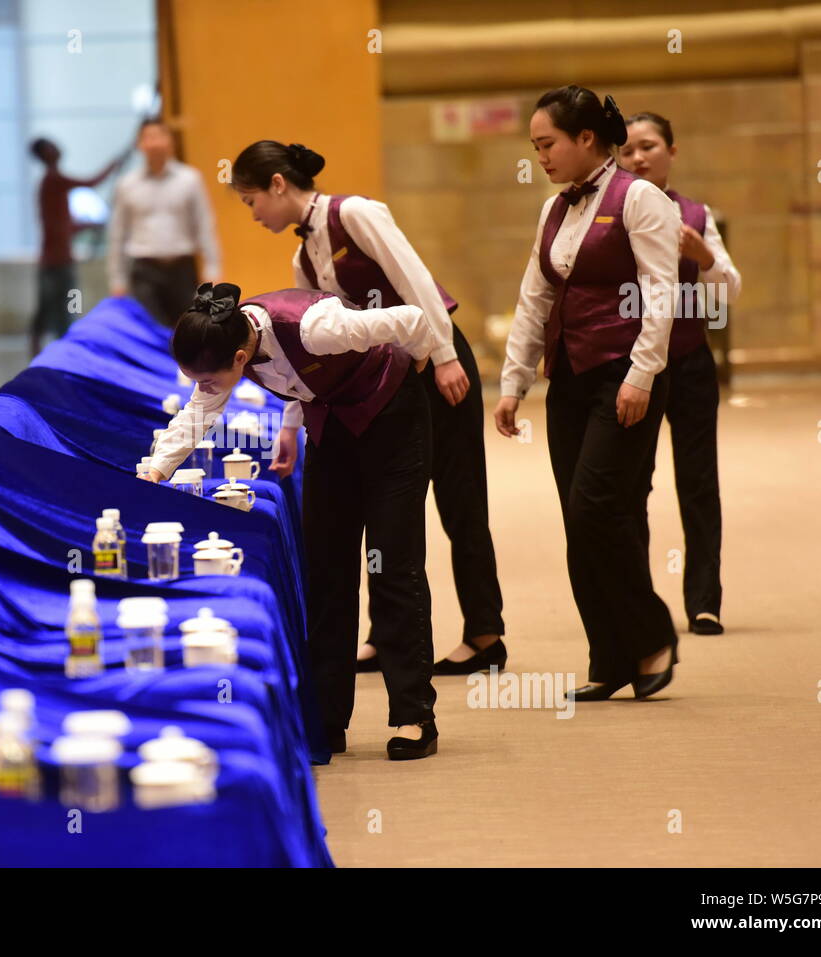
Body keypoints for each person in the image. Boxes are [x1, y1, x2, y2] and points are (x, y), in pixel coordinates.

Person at [229, 139, 508, 677]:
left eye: (251, 200)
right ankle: (386, 636)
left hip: (433, 359)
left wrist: (446, 355)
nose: (254, 213)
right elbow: (308, 356)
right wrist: (292, 422)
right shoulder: (302, 253)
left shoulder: (354, 213)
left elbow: (414, 279)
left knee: (459, 496)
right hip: (381, 384)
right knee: (385, 508)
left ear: (278, 185)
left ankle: (485, 632)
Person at [144, 282, 443, 759]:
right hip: (332, 428)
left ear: (240, 359)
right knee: (325, 573)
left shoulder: (316, 326)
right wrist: (158, 467)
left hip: (393, 420)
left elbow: (411, 320)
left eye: (209, 378)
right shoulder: (231, 342)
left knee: (390, 567)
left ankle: (413, 715)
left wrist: (430, 361)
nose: (204, 389)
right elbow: (202, 409)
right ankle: (326, 718)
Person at [495, 85, 681, 701]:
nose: (540, 157)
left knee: (597, 507)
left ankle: (652, 636)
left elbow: (661, 293)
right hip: (570, 379)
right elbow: (535, 299)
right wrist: (513, 383)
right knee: (580, 519)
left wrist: (641, 374)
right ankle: (610, 655)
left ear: (585, 139)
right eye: (535, 146)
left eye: (547, 144)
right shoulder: (553, 211)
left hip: (623, 375)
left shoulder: (641, 199)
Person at [619, 111, 741, 636]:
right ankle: (639, 602)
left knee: (698, 483)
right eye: (626, 150)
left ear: (672, 151)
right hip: (633, 370)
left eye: (648, 146)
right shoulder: (612, 213)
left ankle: (704, 601)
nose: (638, 157)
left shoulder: (695, 213)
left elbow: (728, 291)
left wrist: (706, 257)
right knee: (630, 487)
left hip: (689, 362)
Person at [107, 118, 221, 327]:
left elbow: (204, 224)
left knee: (187, 329)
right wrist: (117, 279)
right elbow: (118, 234)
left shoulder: (190, 179)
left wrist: (213, 268)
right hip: (144, 270)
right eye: (148, 137)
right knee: (149, 331)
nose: (154, 143)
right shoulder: (127, 185)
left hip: (182, 269)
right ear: (139, 144)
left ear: (170, 141)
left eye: (159, 136)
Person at [28, 138, 126, 357]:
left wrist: (92, 224)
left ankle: (49, 354)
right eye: (50, 147)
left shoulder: (51, 184)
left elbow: (65, 226)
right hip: (56, 262)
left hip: (57, 260)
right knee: (59, 313)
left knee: (54, 312)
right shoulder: (53, 180)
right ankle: (60, 356)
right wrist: (113, 166)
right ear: (45, 153)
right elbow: (91, 182)